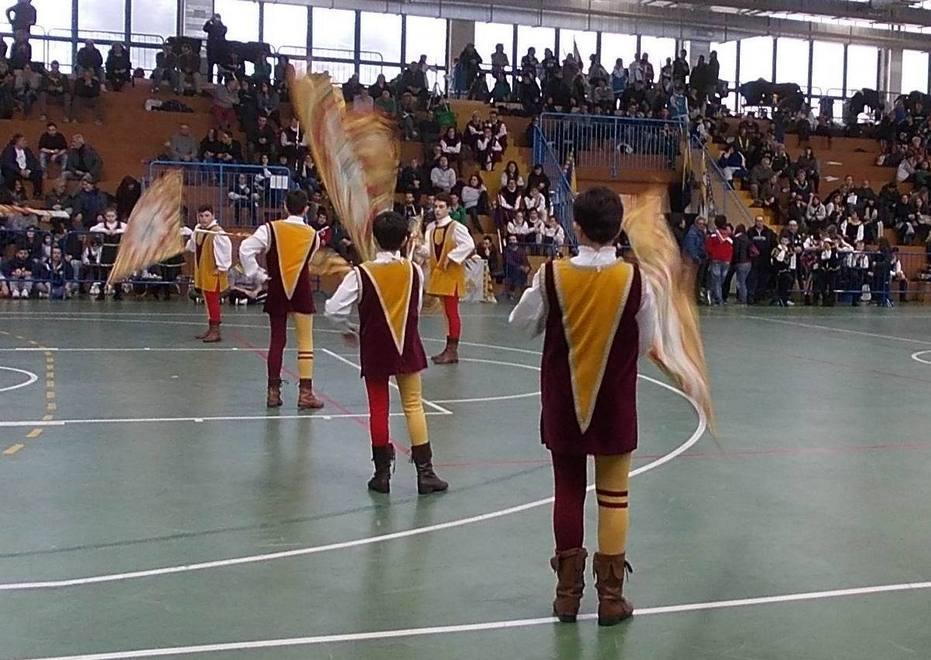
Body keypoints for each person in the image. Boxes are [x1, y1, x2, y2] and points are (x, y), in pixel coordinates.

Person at [508, 186, 655, 627]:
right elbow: (645, 340)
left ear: (576, 226)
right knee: (615, 496)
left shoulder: (551, 276)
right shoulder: (637, 281)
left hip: (563, 401)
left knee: (567, 491)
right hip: (614, 401)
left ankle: (567, 597)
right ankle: (611, 598)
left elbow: (521, 324)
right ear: (618, 229)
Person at [325, 211, 449, 495]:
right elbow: (415, 308)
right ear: (405, 240)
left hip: (375, 346)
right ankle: (426, 473)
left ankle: (381, 475)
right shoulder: (414, 271)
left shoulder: (361, 273)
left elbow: (333, 309)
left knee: (378, 408)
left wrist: (348, 328)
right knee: (414, 405)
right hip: (407, 344)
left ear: (374, 239)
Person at [239, 190, 325, 409]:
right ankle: (305, 393)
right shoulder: (313, 235)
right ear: (306, 208)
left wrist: (256, 273)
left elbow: (245, 248)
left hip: (277, 288)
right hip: (302, 290)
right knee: (305, 341)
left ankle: (273, 392)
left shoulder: (270, 229)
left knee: (277, 340)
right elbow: (306, 260)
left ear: (285, 206)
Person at [419, 192, 475, 365]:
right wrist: (418, 248)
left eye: (441, 207)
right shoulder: (431, 228)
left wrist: (451, 256)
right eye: (435, 206)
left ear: (449, 208)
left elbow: (469, 245)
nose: (437, 210)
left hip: (451, 276)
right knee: (445, 313)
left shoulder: (456, 227)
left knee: (451, 312)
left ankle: (452, 350)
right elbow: (429, 251)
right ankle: (449, 348)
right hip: (440, 275)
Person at [185, 205, 231, 343]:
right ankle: (211, 328)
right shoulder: (198, 230)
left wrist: (221, 268)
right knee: (207, 300)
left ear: (212, 216)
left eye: (206, 216)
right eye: (201, 216)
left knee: (213, 300)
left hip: (213, 272)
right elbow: (192, 246)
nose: (203, 219)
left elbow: (225, 250)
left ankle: (215, 330)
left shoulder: (217, 233)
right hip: (203, 270)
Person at [1, 133, 42, 198]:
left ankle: (37, 194)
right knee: (9, 174)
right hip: (16, 171)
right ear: (17, 142)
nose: (25, 142)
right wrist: (20, 171)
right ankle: (15, 196)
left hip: (26, 171)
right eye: (23, 140)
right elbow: (9, 163)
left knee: (38, 173)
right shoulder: (9, 150)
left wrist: (28, 170)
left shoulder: (27, 150)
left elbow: (32, 160)